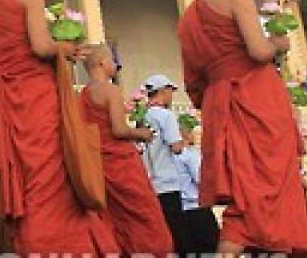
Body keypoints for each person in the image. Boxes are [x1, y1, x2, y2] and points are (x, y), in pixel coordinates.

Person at [0, 0, 118, 256]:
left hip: (5, 104)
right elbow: (41, 47)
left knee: (24, 177)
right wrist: (68, 48)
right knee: (50, 178)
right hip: (36, 99)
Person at [178, 0, 307, 254]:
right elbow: (258, 51)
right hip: (255, 99)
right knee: (271, 184)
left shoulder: (186, 21)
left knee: (243, 194)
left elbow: (193, 83)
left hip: (219, 106)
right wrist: (277, 44)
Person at [81, 47, 173, 255]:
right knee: (144, 213)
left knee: (114, 217)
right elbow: (119, 130)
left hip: (99, 162)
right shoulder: (111, 90)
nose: (116, 65)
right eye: (113, 60)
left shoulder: (84, 94)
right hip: (121, 162)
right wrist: (141, 133)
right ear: (102, 63)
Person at [139, 73, 188, 254]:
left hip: (150, 184)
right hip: (168, 183)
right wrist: (185, 140)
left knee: (160, 233)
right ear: (163, 91)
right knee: (177, 233)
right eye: (170, 91)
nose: (171, 95)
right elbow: (176, 147)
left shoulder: (141, 116)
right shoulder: (166, 116)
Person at [175, 118, 219, 255]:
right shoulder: (190, 156)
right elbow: (202, 180)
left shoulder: (168, 159)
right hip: (197, 209)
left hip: (179, 210)